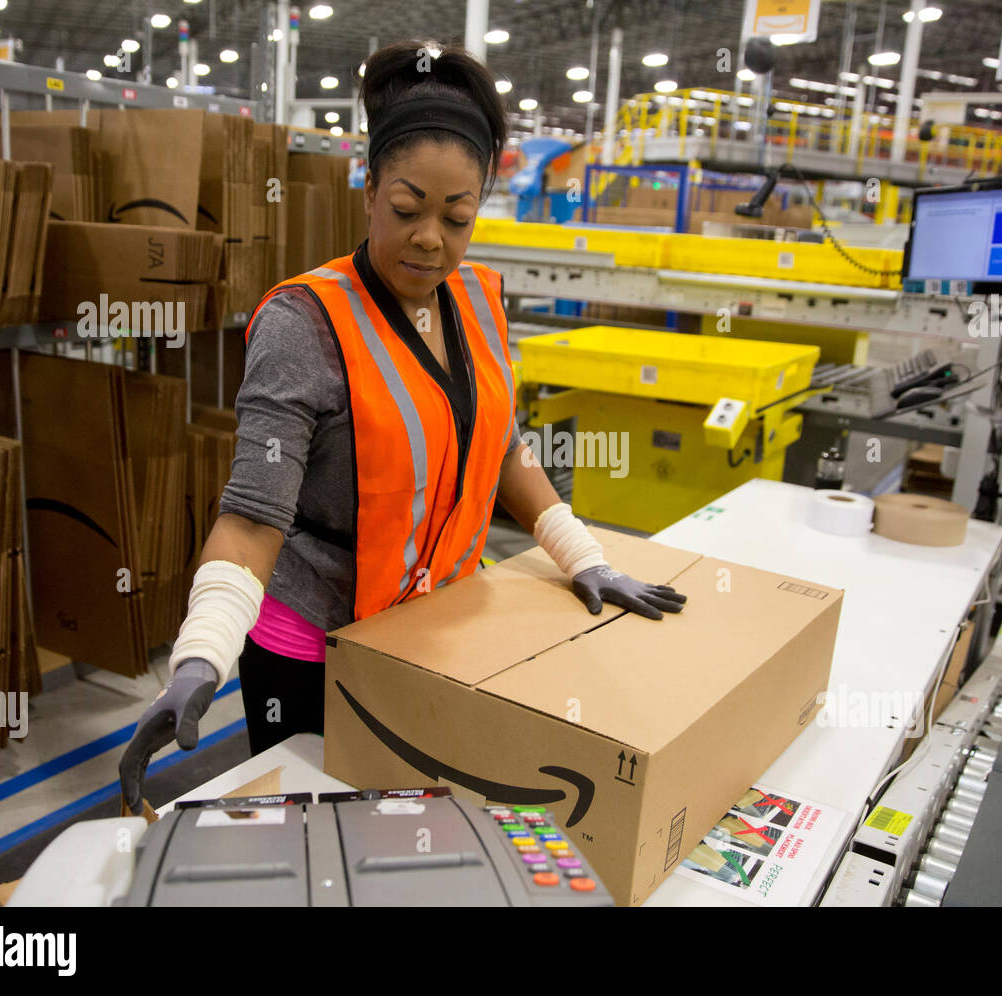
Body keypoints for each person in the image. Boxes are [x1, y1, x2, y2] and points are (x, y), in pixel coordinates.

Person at [119, 40, 685, 813]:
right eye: (408, 209)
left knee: (411, 819)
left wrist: (581, 555)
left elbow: (500, 447)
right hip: (312, 648)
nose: (431, 240)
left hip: (425, 629)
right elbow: (253, 520)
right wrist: (199, 657)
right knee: (317, 831)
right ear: (369, 190)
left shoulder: (478, 299)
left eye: (458, 218)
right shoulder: (304, 324)